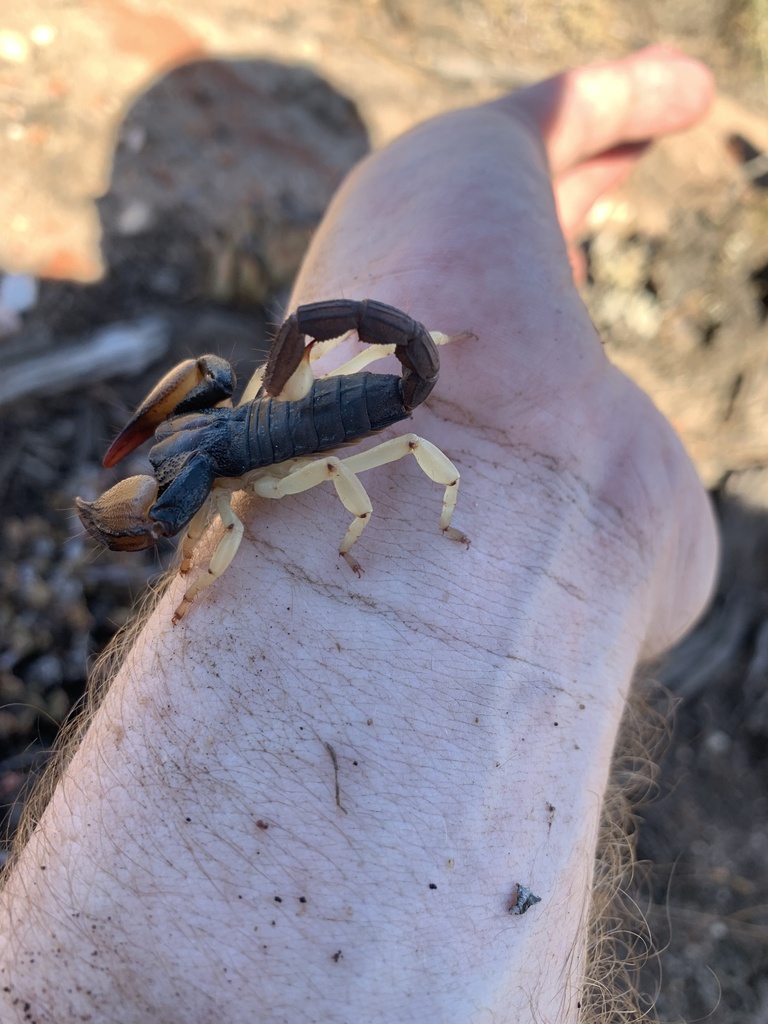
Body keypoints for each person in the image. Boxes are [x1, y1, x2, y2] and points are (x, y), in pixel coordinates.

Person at [0, 46, 718, 1024]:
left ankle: (421, 364)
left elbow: (327, 498)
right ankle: (423, 342)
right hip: (321, 394)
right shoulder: (214, 434)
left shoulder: (224, 491)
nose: (161, 483)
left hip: (338, 423)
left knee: (332, 470)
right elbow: (252, 370)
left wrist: (220, 578)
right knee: (252, 400)